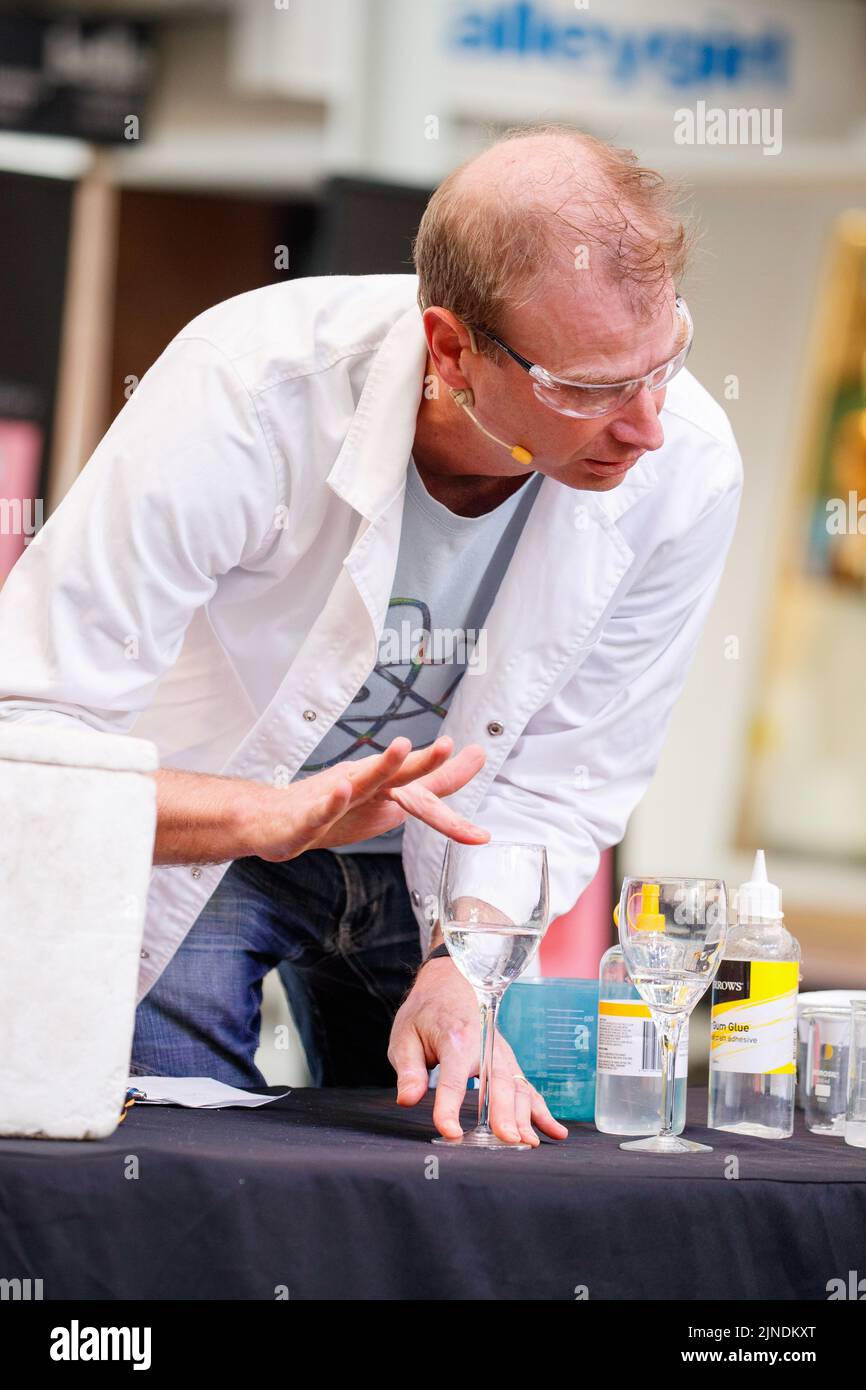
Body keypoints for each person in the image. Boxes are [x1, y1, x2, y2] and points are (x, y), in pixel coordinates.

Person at [0, 124, 742, 1146]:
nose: (645, 424)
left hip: (451, 866)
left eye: (663, 360)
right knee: (172, 1153)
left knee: (450, 1162)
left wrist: (465, 968)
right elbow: (35, 732)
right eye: (586, 387)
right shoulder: (247, 389)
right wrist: (270, 813)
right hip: (209, 840)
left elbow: (569, 778)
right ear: (448, 349)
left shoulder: (687, 465)